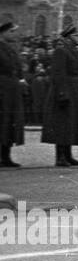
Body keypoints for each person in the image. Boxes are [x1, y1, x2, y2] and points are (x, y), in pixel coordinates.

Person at [42, 21, 78, 167]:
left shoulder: (73, 50)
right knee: (62, 123)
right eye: (76, 35)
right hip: (64, 90)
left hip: (74, 89)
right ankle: (60, 156)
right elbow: (58, 73)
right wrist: (62, 93)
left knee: (71, 123)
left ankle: (68, 155)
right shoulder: (61, 50)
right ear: (68, 36)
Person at [0, 22, 25, 167]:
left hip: (11, 89)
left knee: (9, 122)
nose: (15, 34)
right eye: (12, 31)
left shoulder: (11, 48)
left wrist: (20, 79)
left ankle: (6, 156)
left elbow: (17, 67)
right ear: (3, 33)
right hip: (2, 89)